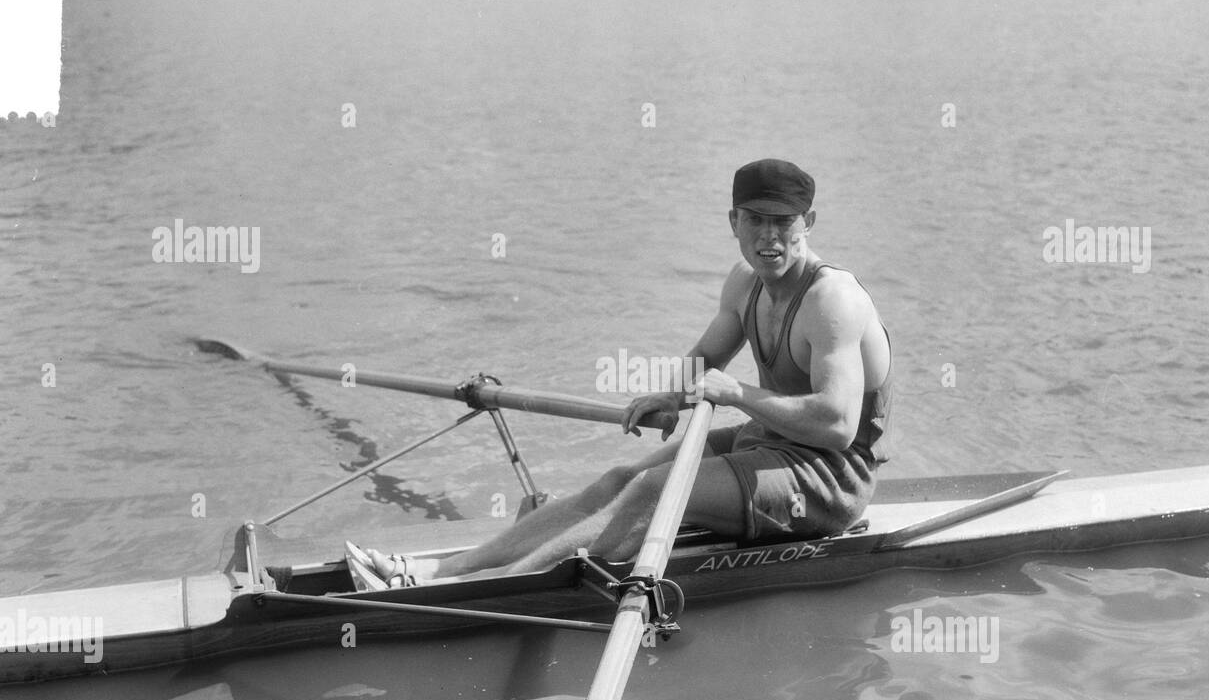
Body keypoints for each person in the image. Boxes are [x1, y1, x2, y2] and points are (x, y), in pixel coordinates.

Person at [347, 159, 893, 590]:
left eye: (785, 222)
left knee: (654, 490)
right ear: (734, 223)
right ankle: (438, 572)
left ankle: (498, 587)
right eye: (756, 220)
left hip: (831, 475)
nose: (770, 238)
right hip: (773, 441)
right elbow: (705, 359)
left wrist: (739, 394)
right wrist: (669, 398)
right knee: (617, 481)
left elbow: (838, 426)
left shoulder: (831, 300)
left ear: (809, 224)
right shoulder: (743, 281)